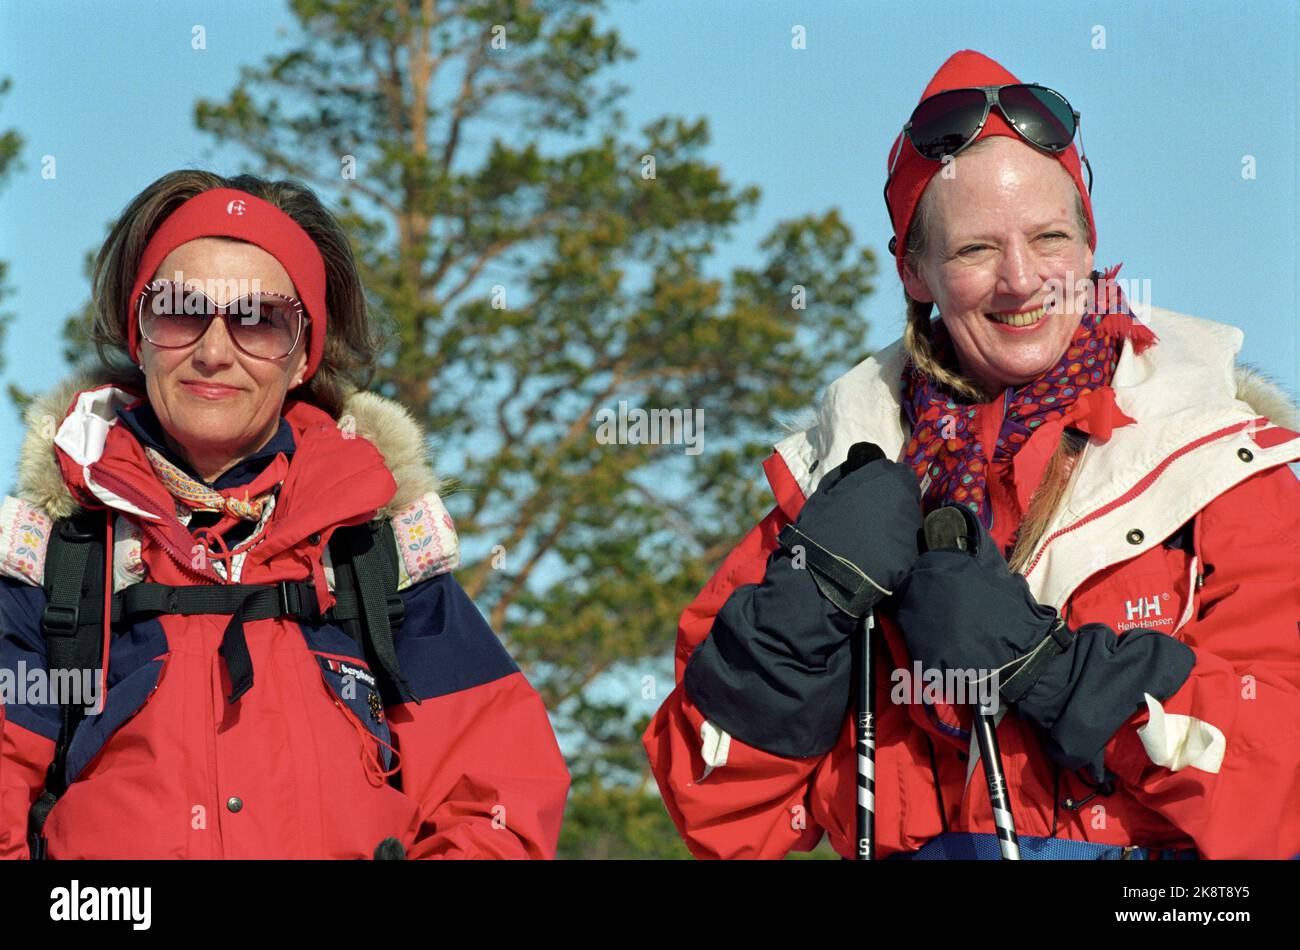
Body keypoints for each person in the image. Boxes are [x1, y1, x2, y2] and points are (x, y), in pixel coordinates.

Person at [643, 50, 1300, 859]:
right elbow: (711, 807)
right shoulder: (826, 491)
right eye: (975, 251)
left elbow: (1283, 789)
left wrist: (1059, 674)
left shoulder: (1218, 469)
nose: (1022, 281)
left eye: (1050, 236)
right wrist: (796, 621)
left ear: (1090, 241)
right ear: (915, 271)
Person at [0, 172, 570, 859]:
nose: (214, 350)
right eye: (181, 310)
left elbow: (497, 794)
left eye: (258, 320)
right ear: (140, 332)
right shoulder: (57, 558)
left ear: (302, 355)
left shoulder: (372, 554)